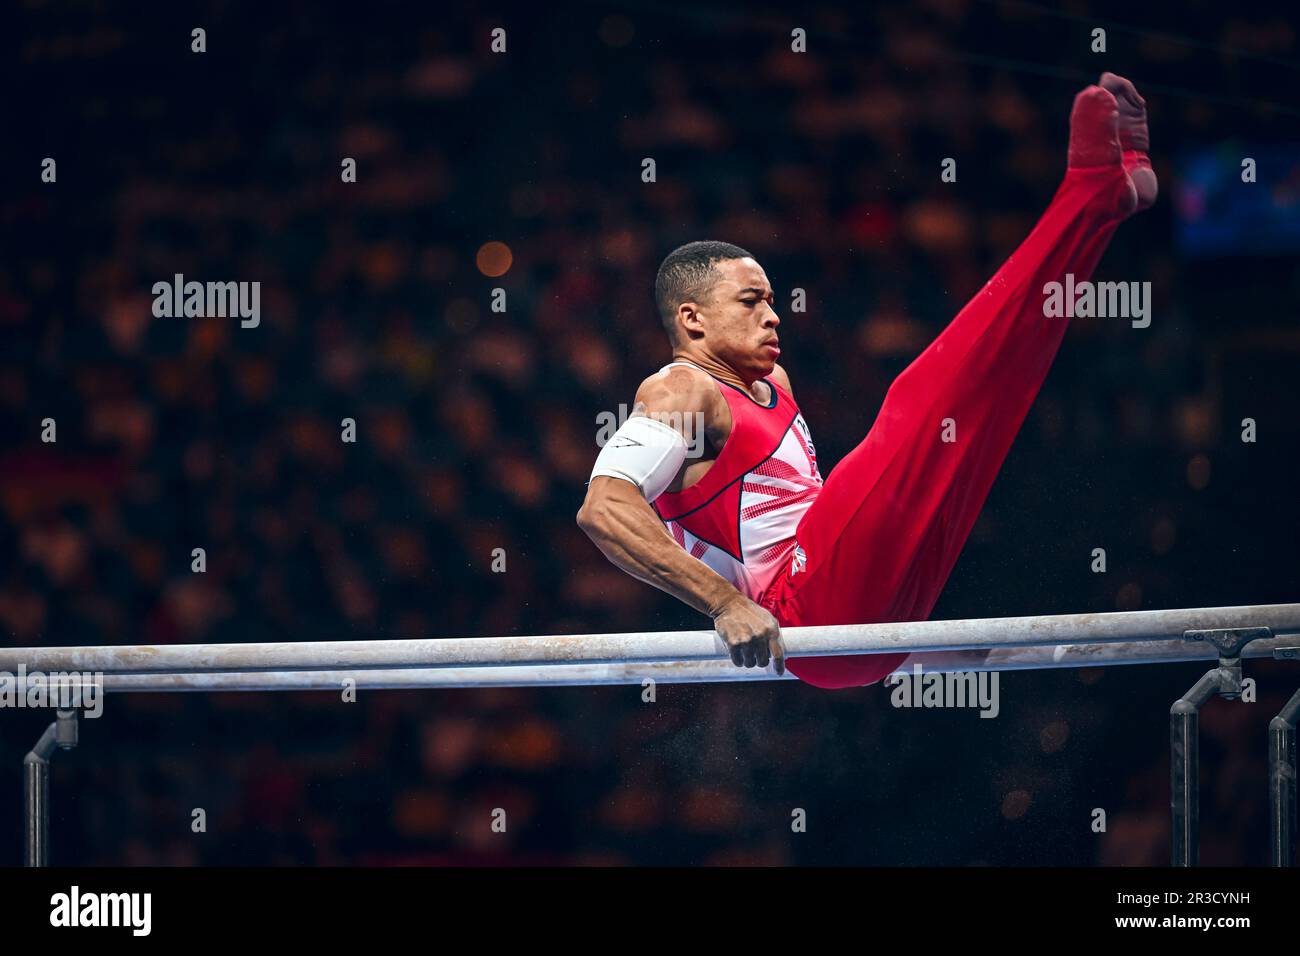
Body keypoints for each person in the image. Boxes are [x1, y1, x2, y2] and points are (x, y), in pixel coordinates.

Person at [577, 74, 1157, 689]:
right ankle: (1088, 192)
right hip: (803, 615)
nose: (774, 315)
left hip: (868, 629)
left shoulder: (776, 382)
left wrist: (912, 647)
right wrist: (725, 604)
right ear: (691, 319)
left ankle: (1099, 212)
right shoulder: (679, 390)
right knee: (923, 401)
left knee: (989, 404)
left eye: (773, 300)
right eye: (751, 302)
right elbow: (603, 509)